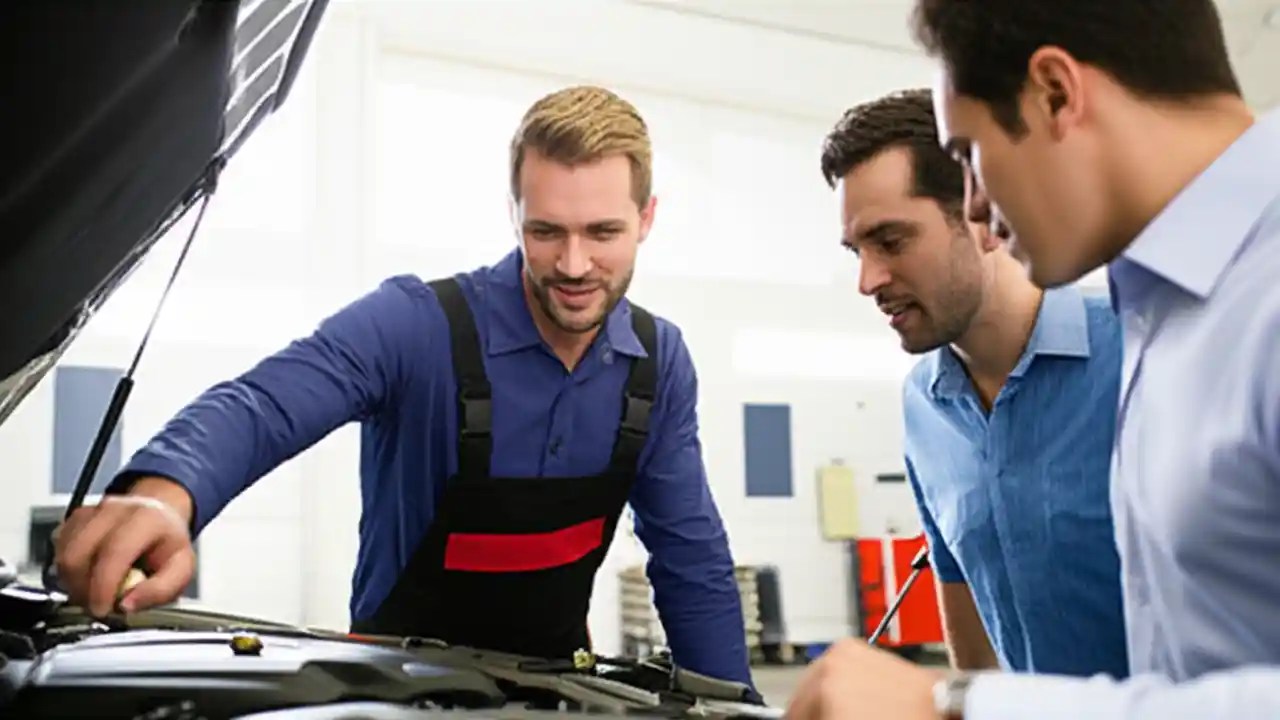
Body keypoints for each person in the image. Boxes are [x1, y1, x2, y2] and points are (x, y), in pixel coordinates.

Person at [53, 84, 757, 689]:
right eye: (546, 231)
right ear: (514, 214)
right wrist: (165, 493)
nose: (574, 264)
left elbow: (690, 558)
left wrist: (733, 701)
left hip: (555, 690)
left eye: (602, 231)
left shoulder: (658, 366)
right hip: (394, 688)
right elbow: (264, 404)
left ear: (647, 219)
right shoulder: (416, 327)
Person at [787, 1, 1280, 718]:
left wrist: (958, 704)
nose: (978, 205)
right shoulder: (1166, 312)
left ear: (1055, 93)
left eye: (969, 155)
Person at [818, 88, 1127, 678]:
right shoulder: (922, 406)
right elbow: (967, 620)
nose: (868, 279)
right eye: (855, 249)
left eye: (890, 241)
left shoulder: (1135, 352)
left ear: (982, 210)